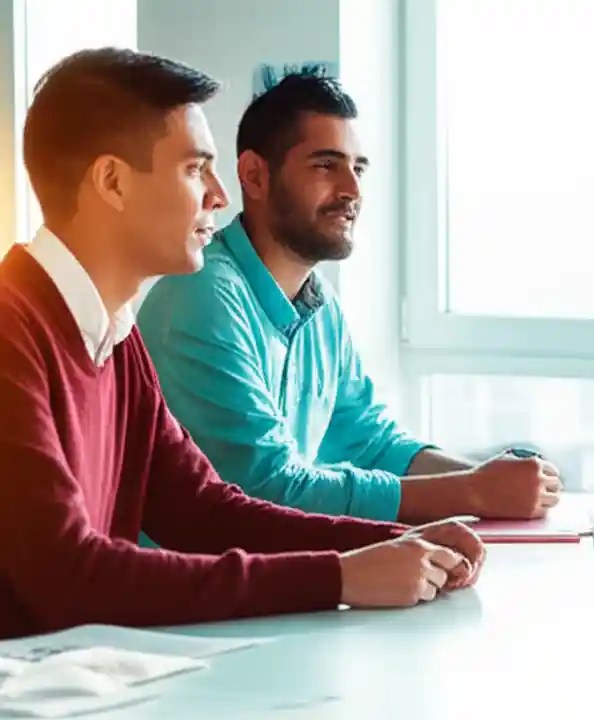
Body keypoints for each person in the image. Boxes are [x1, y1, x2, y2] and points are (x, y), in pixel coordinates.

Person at [0, 48, 485, 640]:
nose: (219, 195)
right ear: (113, 183)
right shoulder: (11, 331)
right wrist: (338, 578)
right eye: (193, 169)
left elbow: (205, 510)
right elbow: (70, 575)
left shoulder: (115, 341)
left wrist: (393, 542)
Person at [136, 70, 562, 525]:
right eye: (325, 165)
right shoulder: (201, 298)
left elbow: (370, 442)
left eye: (358, 168)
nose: (353, 191)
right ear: (254, 176)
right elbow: (270, 487)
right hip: (200, 586)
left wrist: (491, 482)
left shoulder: (321, 307)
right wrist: (474, 493)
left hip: (281, 578)